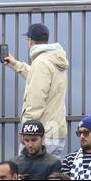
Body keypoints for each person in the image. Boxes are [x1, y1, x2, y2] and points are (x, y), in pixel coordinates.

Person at [5, 22, 69, 157]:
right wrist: (17, 65)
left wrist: (26, 131)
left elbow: (36, 101)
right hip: (56, 132)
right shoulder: (55, 60)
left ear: (30, 40)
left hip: (40, 135)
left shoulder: (40, 63)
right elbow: (41, 80)